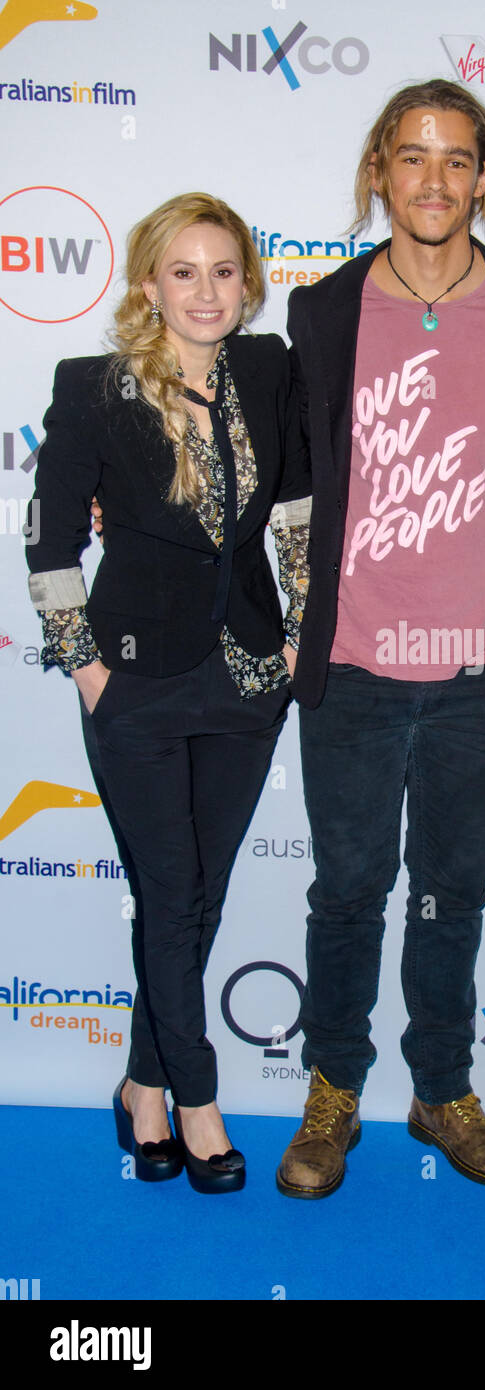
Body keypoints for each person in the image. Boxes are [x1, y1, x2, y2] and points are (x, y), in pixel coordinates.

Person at [275, 79, 485, 1198]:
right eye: (413, 157)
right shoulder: (324, 309)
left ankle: (440, 1087)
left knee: (449, 890)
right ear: (378, 173)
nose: (435, 180)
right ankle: (332, 1093)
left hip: (476, 673)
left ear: (484, 176)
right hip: (350, 665)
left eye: (457, 159)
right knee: (347, 892)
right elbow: (282, 471)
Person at [26, 193, 310, 1194]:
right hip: (136, 678)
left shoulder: (272, 371)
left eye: (223, 270)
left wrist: (296, 637)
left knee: (196, 899)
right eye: (183, 271)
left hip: (245, 677)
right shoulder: (95, 388)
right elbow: (50, 541)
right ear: (150, 283)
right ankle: (196, 1100)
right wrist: (90, 668)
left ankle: (141, 1089)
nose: (205, 290)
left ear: (247, 282)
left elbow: (301, 508)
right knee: (173, 894)